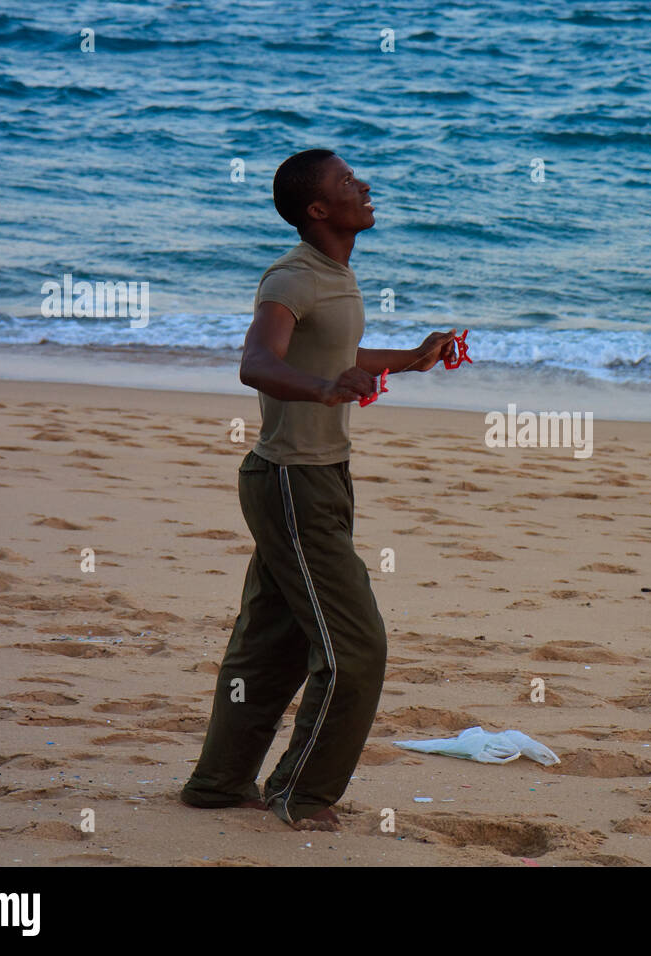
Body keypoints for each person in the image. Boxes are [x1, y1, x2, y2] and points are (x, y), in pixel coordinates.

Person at [179, 148, 457, 830]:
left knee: (270, 642)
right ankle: (301, 794)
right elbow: (257, 362)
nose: (363, 187)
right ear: (318, 210)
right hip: (291, 486)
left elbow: (336, 357)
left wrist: (411, 360)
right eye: (346, 183)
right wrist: (326, 388)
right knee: (356, 647)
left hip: (321, 476)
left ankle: (219, 783)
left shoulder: (336, 276)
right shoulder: (292, 279)